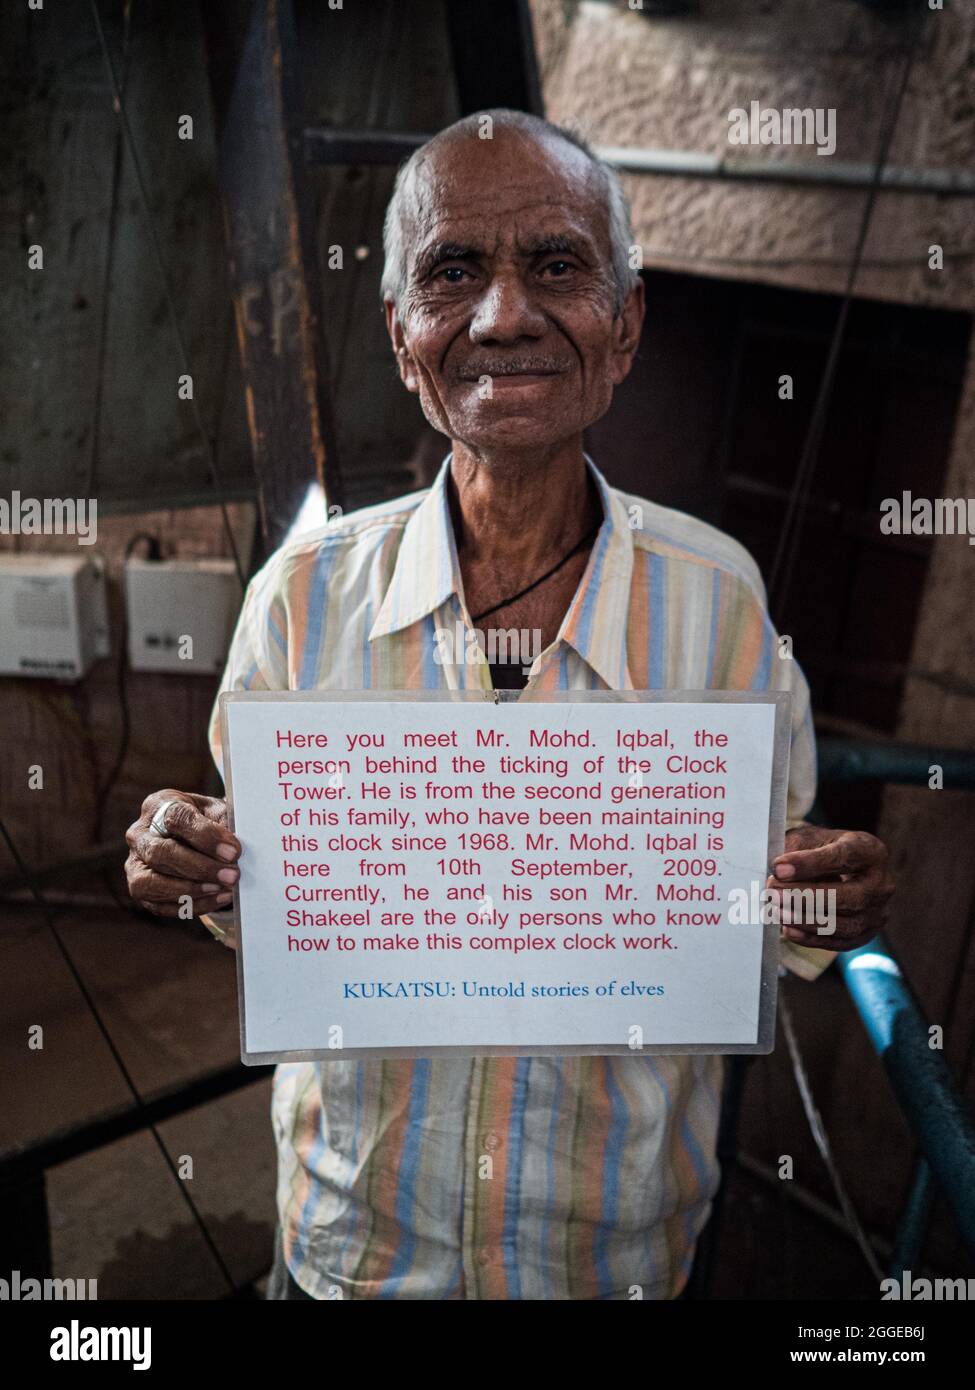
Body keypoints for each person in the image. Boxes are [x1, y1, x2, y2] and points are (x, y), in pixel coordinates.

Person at [124, 109, 894, 1300]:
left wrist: (823, 901)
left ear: (625, 323)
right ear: (401, 336)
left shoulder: (720, 602)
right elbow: (263, 907)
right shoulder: (304, 596)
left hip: (613, 1266)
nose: (502, 317)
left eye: (556, 265)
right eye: (453, 272)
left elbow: (771, 910)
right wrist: (199, 864)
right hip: (353, 1262)